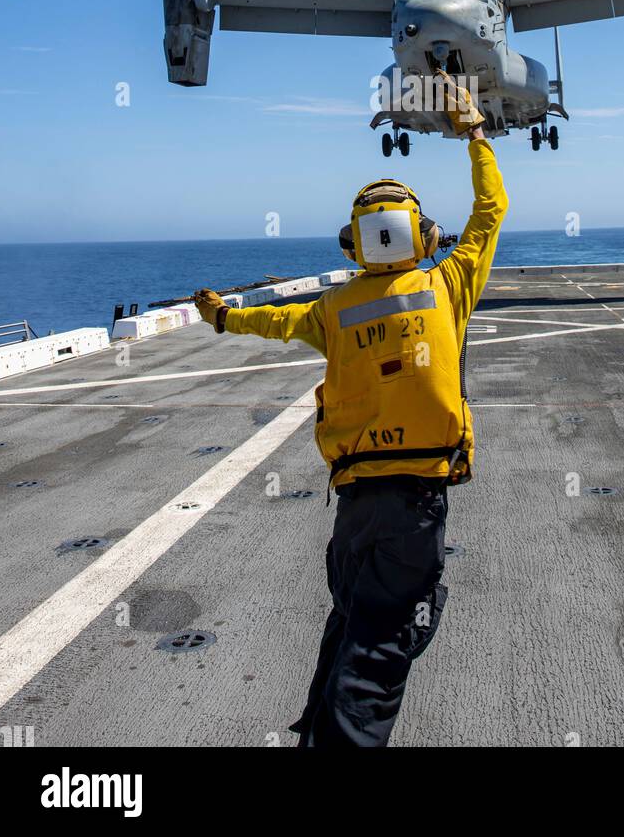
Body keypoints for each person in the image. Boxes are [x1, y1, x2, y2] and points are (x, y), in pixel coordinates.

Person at [194, 71, 508, 747]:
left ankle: (314, 731)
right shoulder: (447, 283)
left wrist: (224, 317)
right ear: (421, 235)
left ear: (355, 243)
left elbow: (273, 322)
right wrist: (475, 136)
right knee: (382, 650)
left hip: (355, 509)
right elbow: (490, 214)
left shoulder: (334, 310)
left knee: (352, 624)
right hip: (414, 501)